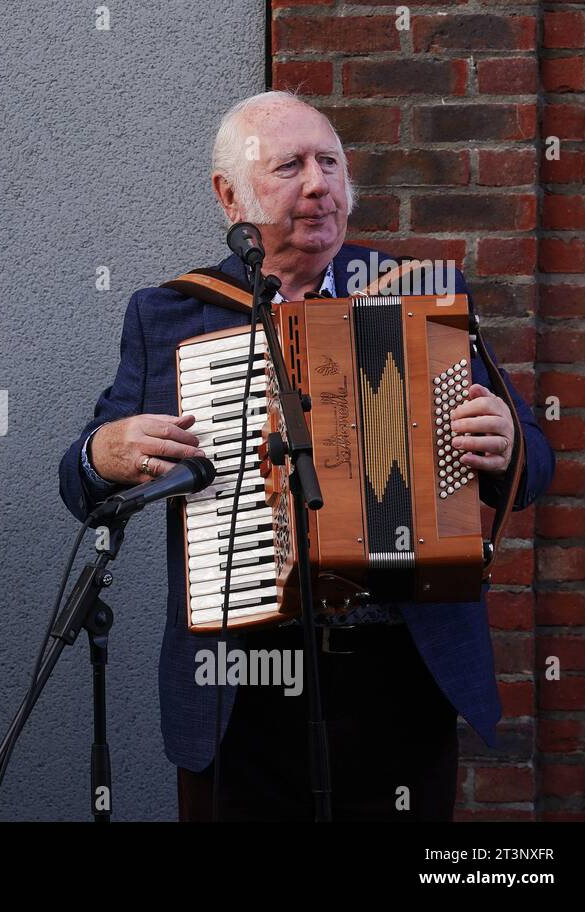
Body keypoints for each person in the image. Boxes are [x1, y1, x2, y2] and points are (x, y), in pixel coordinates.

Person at [57, 92, 554, 821]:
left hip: (398, 675)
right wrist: (104, 452)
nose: (320, 184)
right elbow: (80, 484)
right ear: (229, 195)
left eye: (331, 162)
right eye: (290, 166)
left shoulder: (419, 293)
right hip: (241, 685)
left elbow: (536, 468)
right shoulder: (171, 315)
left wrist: (507, 446)